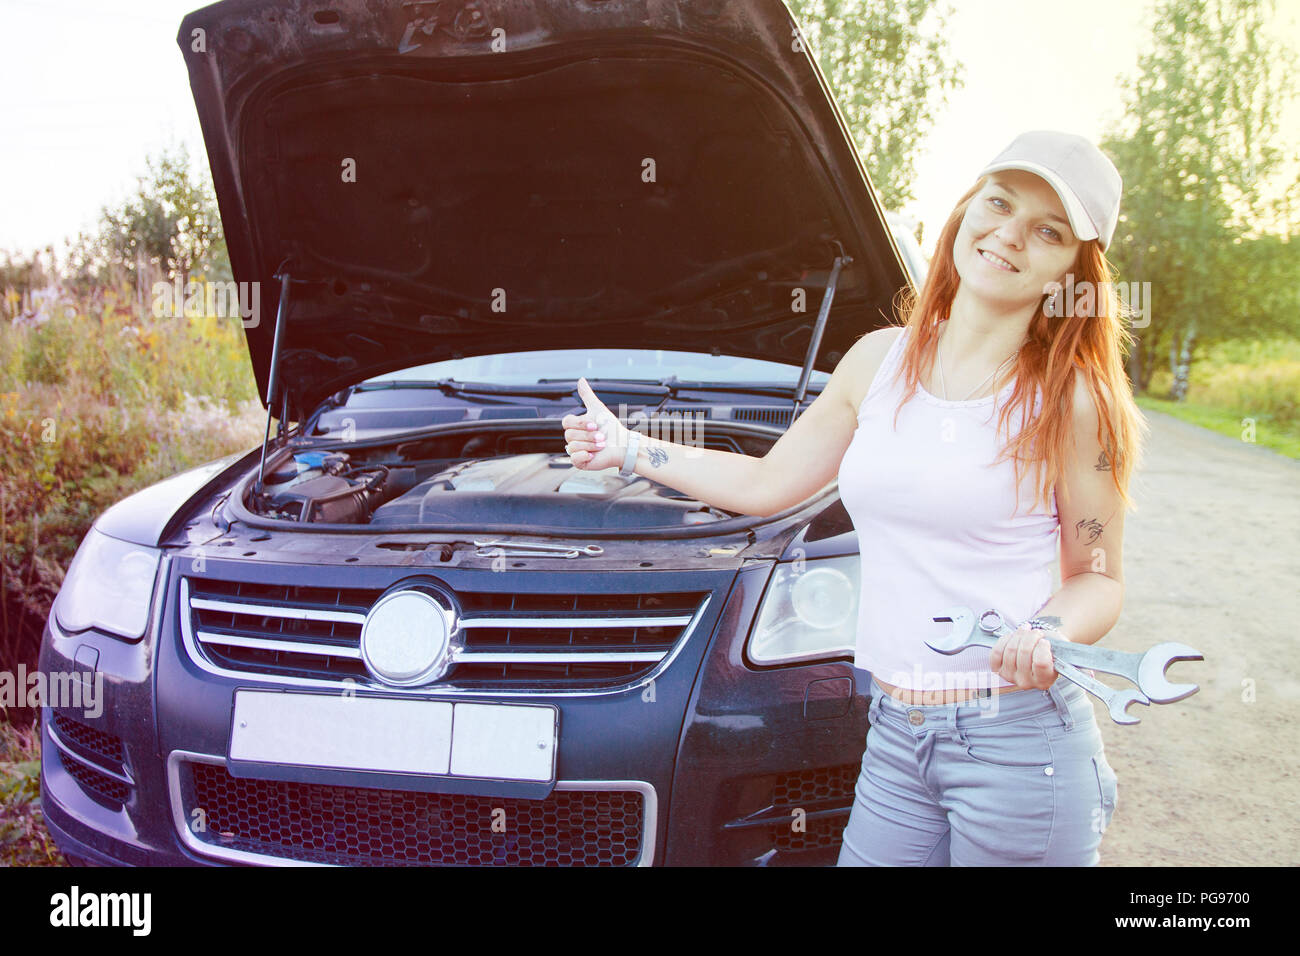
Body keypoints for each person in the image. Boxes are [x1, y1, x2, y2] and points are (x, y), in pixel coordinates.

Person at [560, 129, 1148, 866]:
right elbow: (766, 482)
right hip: (897, 730)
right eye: (998, 203)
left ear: (1071, 269)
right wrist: (630, 448)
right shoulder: (878, 362)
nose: (1008, 235)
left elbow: (1099, 575)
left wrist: (1048, 631)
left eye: (1048, 231)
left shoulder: (1073, 400)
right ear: (966, 209)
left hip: (1019, 744)